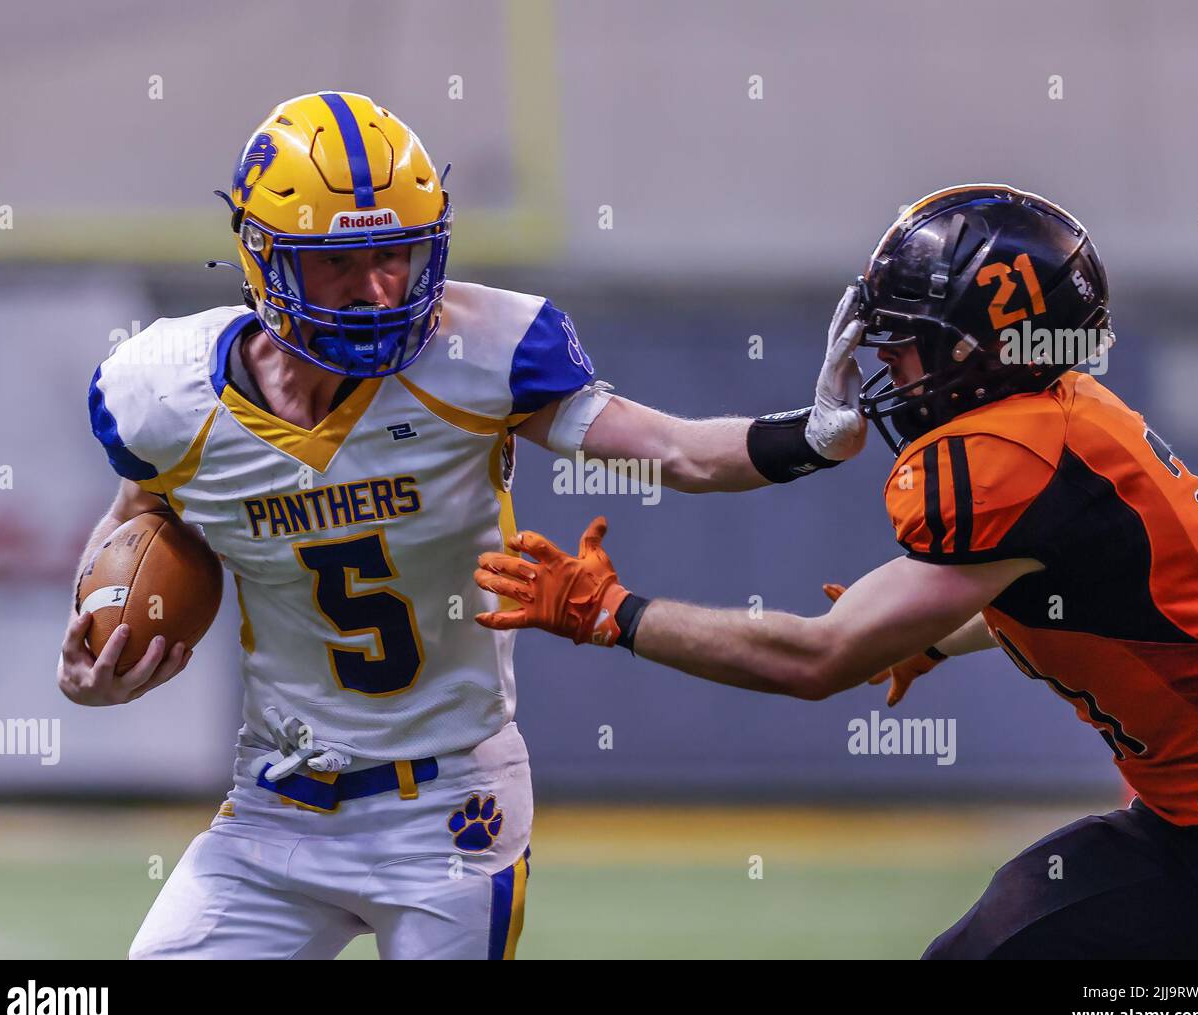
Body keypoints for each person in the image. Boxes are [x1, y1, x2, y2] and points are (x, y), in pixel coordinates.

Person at [57, 91, 869, 960]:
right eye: (342, 262)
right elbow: (139, 517)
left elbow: (676, 454)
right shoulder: (163, 392)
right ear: (265, 260)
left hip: (449, 813)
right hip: (276, 807)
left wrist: (812, 437)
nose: (379, 288)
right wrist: (96, 645)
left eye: (400, 253)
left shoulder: (481, 354)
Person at [474, 185, 1198, 959]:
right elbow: (1080, 594)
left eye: (905, 338)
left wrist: (611, 613)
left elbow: (815, 659)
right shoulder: (1063, 419)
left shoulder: (1009, 460)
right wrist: (936, 640)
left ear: (978, 347)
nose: (886, 359)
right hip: (1191, 818)